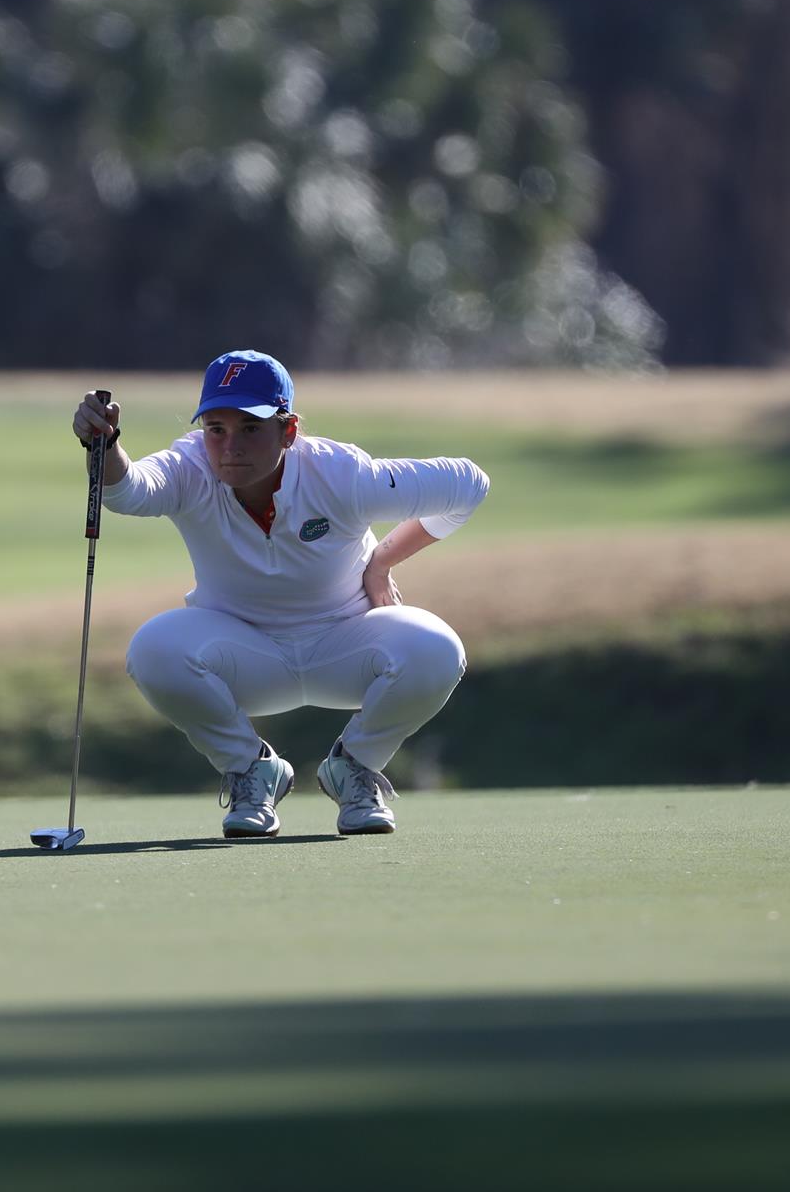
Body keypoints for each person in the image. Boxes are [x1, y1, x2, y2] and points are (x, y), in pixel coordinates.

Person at [72, 350, 490, 838]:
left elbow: (469, 485)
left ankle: (355, 767)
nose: (230, 447)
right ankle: (252, 771)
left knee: (437, 647)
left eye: (250, 428)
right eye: (216, 429)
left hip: (348, 645)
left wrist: (382, 561)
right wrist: (106, 443)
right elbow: (129, 491)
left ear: (288, 432)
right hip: (244, 656)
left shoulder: (342, 475)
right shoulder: (189, 465)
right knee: (154, 648)